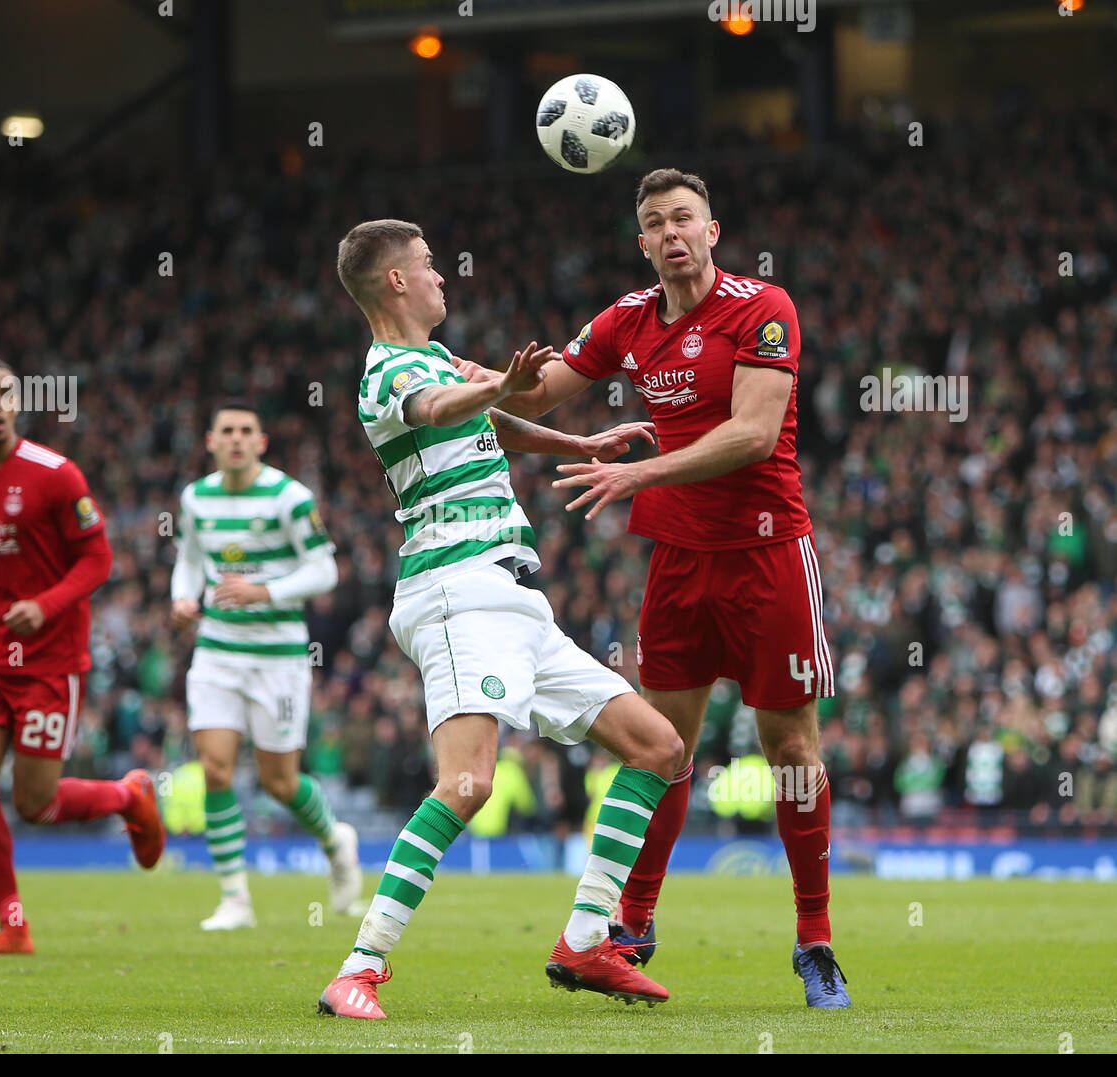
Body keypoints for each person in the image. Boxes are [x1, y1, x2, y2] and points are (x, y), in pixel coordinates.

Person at [484, 168, 850, 1008]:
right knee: (663, 750)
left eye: (685, 217)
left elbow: (755, 435)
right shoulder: (627, 319)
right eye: (655, 223)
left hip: (767, 556)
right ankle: (633, 926)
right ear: (642, 242)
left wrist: (640, 474)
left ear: (714, 229)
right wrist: (450, 373)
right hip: (680, 563)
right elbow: (534, 395)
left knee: (791, 751)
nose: (672, 232)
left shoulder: (763, 306)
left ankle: (815, 940)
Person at [317, 218, 686, 1020]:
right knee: (468, 783)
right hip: (453, 588)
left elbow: (490, 418)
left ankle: (587, 941)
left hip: (516, 600)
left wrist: (577, 441)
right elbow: (446, 404)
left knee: (660, 747)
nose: (442, 275)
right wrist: (492, 386)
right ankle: (360, 966)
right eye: (428, 264)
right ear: (395, 284)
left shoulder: (439, 359)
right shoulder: (387, 370)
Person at [0, 359, 164, 956]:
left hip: (50, 658)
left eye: (7, 393)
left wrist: (45, 606)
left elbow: (98, 560)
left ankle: (129, 796)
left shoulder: (56, 475)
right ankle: (11, 924)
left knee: (36, 803)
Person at [171, 402, 360, 929]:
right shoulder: (196, 498)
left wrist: (264, 591)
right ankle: (235, 899)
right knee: (215, 769)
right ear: (210, 440)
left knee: (280, 782)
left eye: (245, 431)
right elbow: (188, 559)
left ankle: (334, 839)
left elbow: (324, 569)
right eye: (226, 430)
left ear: (262, 441)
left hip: (278, 658)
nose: (235, 439)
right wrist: (184, 599)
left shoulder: (289, 498)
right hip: (216, 651)